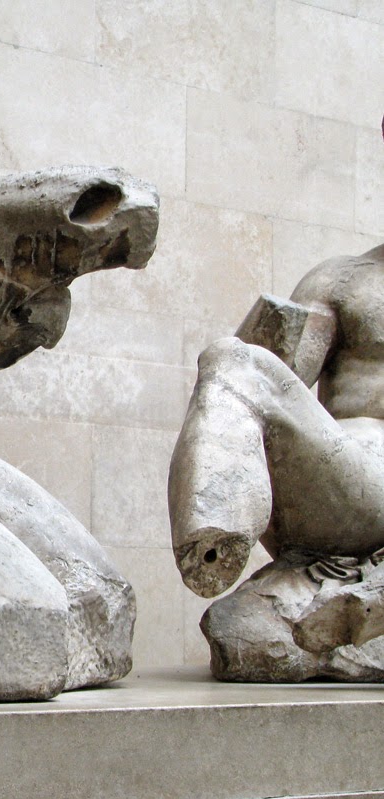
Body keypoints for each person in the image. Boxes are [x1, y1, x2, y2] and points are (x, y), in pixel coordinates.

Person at [169, 244, 384, 679]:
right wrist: (261, 343)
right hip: (339, 479)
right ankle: (214, 540)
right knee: (230, 357)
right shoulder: (340, 280)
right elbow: (284, 376)